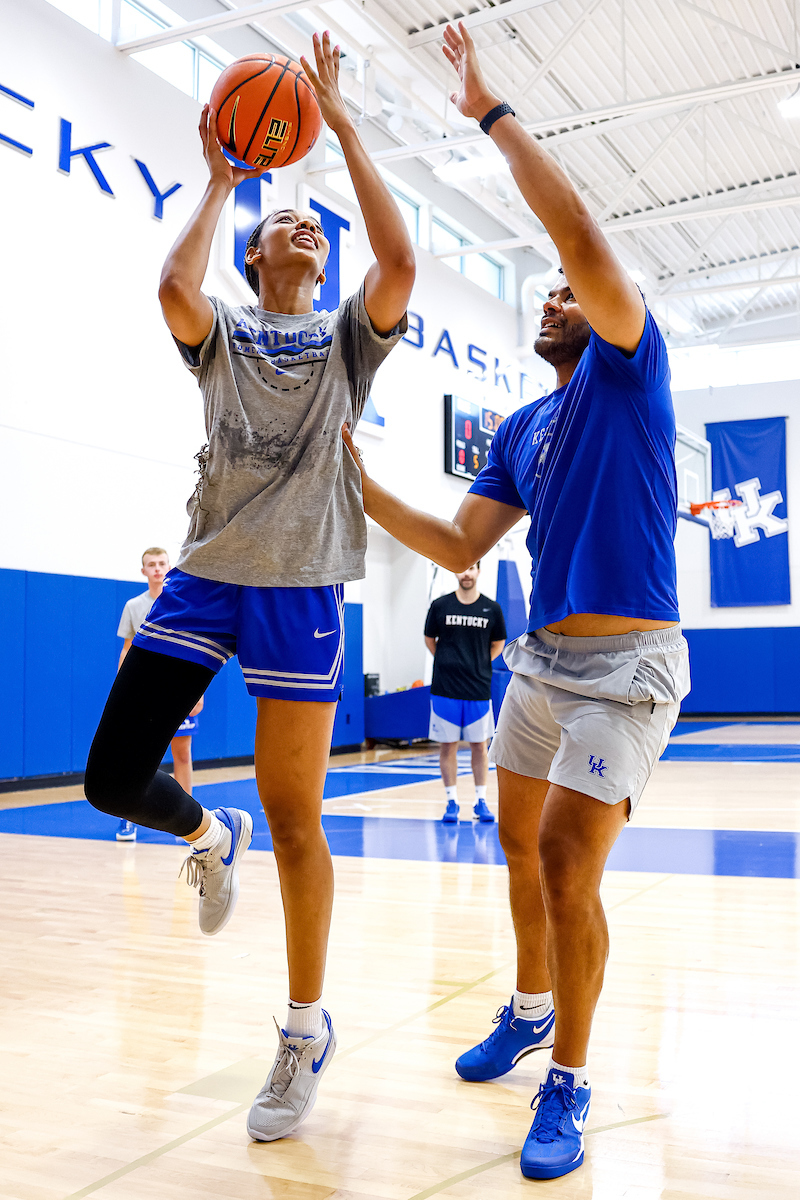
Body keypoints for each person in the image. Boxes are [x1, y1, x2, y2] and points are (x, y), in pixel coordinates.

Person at [341, 22, 689, 1181]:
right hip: (536, 666)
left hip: (628, 663)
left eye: (565, 293)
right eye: (541, 295)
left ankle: (571, 1082)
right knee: (515, 852)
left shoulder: (629, 368)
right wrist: (354, 478)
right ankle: (530, 1008)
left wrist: (488, 113)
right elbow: (454, 538)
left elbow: (577, 234)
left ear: (600, 310)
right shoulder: (524, 428)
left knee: (563, 862)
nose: (551, 295)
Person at [83, 30, 414, 1145]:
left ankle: (302, 1026)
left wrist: (347, 126)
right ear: (259, 252)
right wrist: (225, 179)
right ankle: (204, 835)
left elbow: (401, 266)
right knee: (108, 776)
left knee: (298, 817)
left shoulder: (343, 343)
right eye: (287, 221)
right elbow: (172, 283)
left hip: (302, 587)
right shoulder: (221, 330)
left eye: (313, 225)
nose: (304, 226)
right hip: (210, 572)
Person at [114, 547, 204, 841]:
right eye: (151, 565)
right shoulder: (133, 606)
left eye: (161, 563)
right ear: (144, 571)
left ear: (169, 566)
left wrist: (198, 692)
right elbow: (127, 649)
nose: (156, 568)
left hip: (177, 690)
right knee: (133, 758)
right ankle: (128, 820)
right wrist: (121, 689)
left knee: (182, 754)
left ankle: (187, 821)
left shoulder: (183, 603)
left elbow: (196, 652)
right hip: (142, 690)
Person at [424, 562, 506, 823]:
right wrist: (448, 662)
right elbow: (429, 639)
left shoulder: (492, 609)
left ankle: (481, 801)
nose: (467, 573)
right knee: (447, 746)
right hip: (445, 689)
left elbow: (499, 643)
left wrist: (478, 664)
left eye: (472, 568)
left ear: (479, 571)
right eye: (463, 569)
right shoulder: (440, 605)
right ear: (456, 571)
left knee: (479, 747)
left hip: (478, 689)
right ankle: (451, 802)